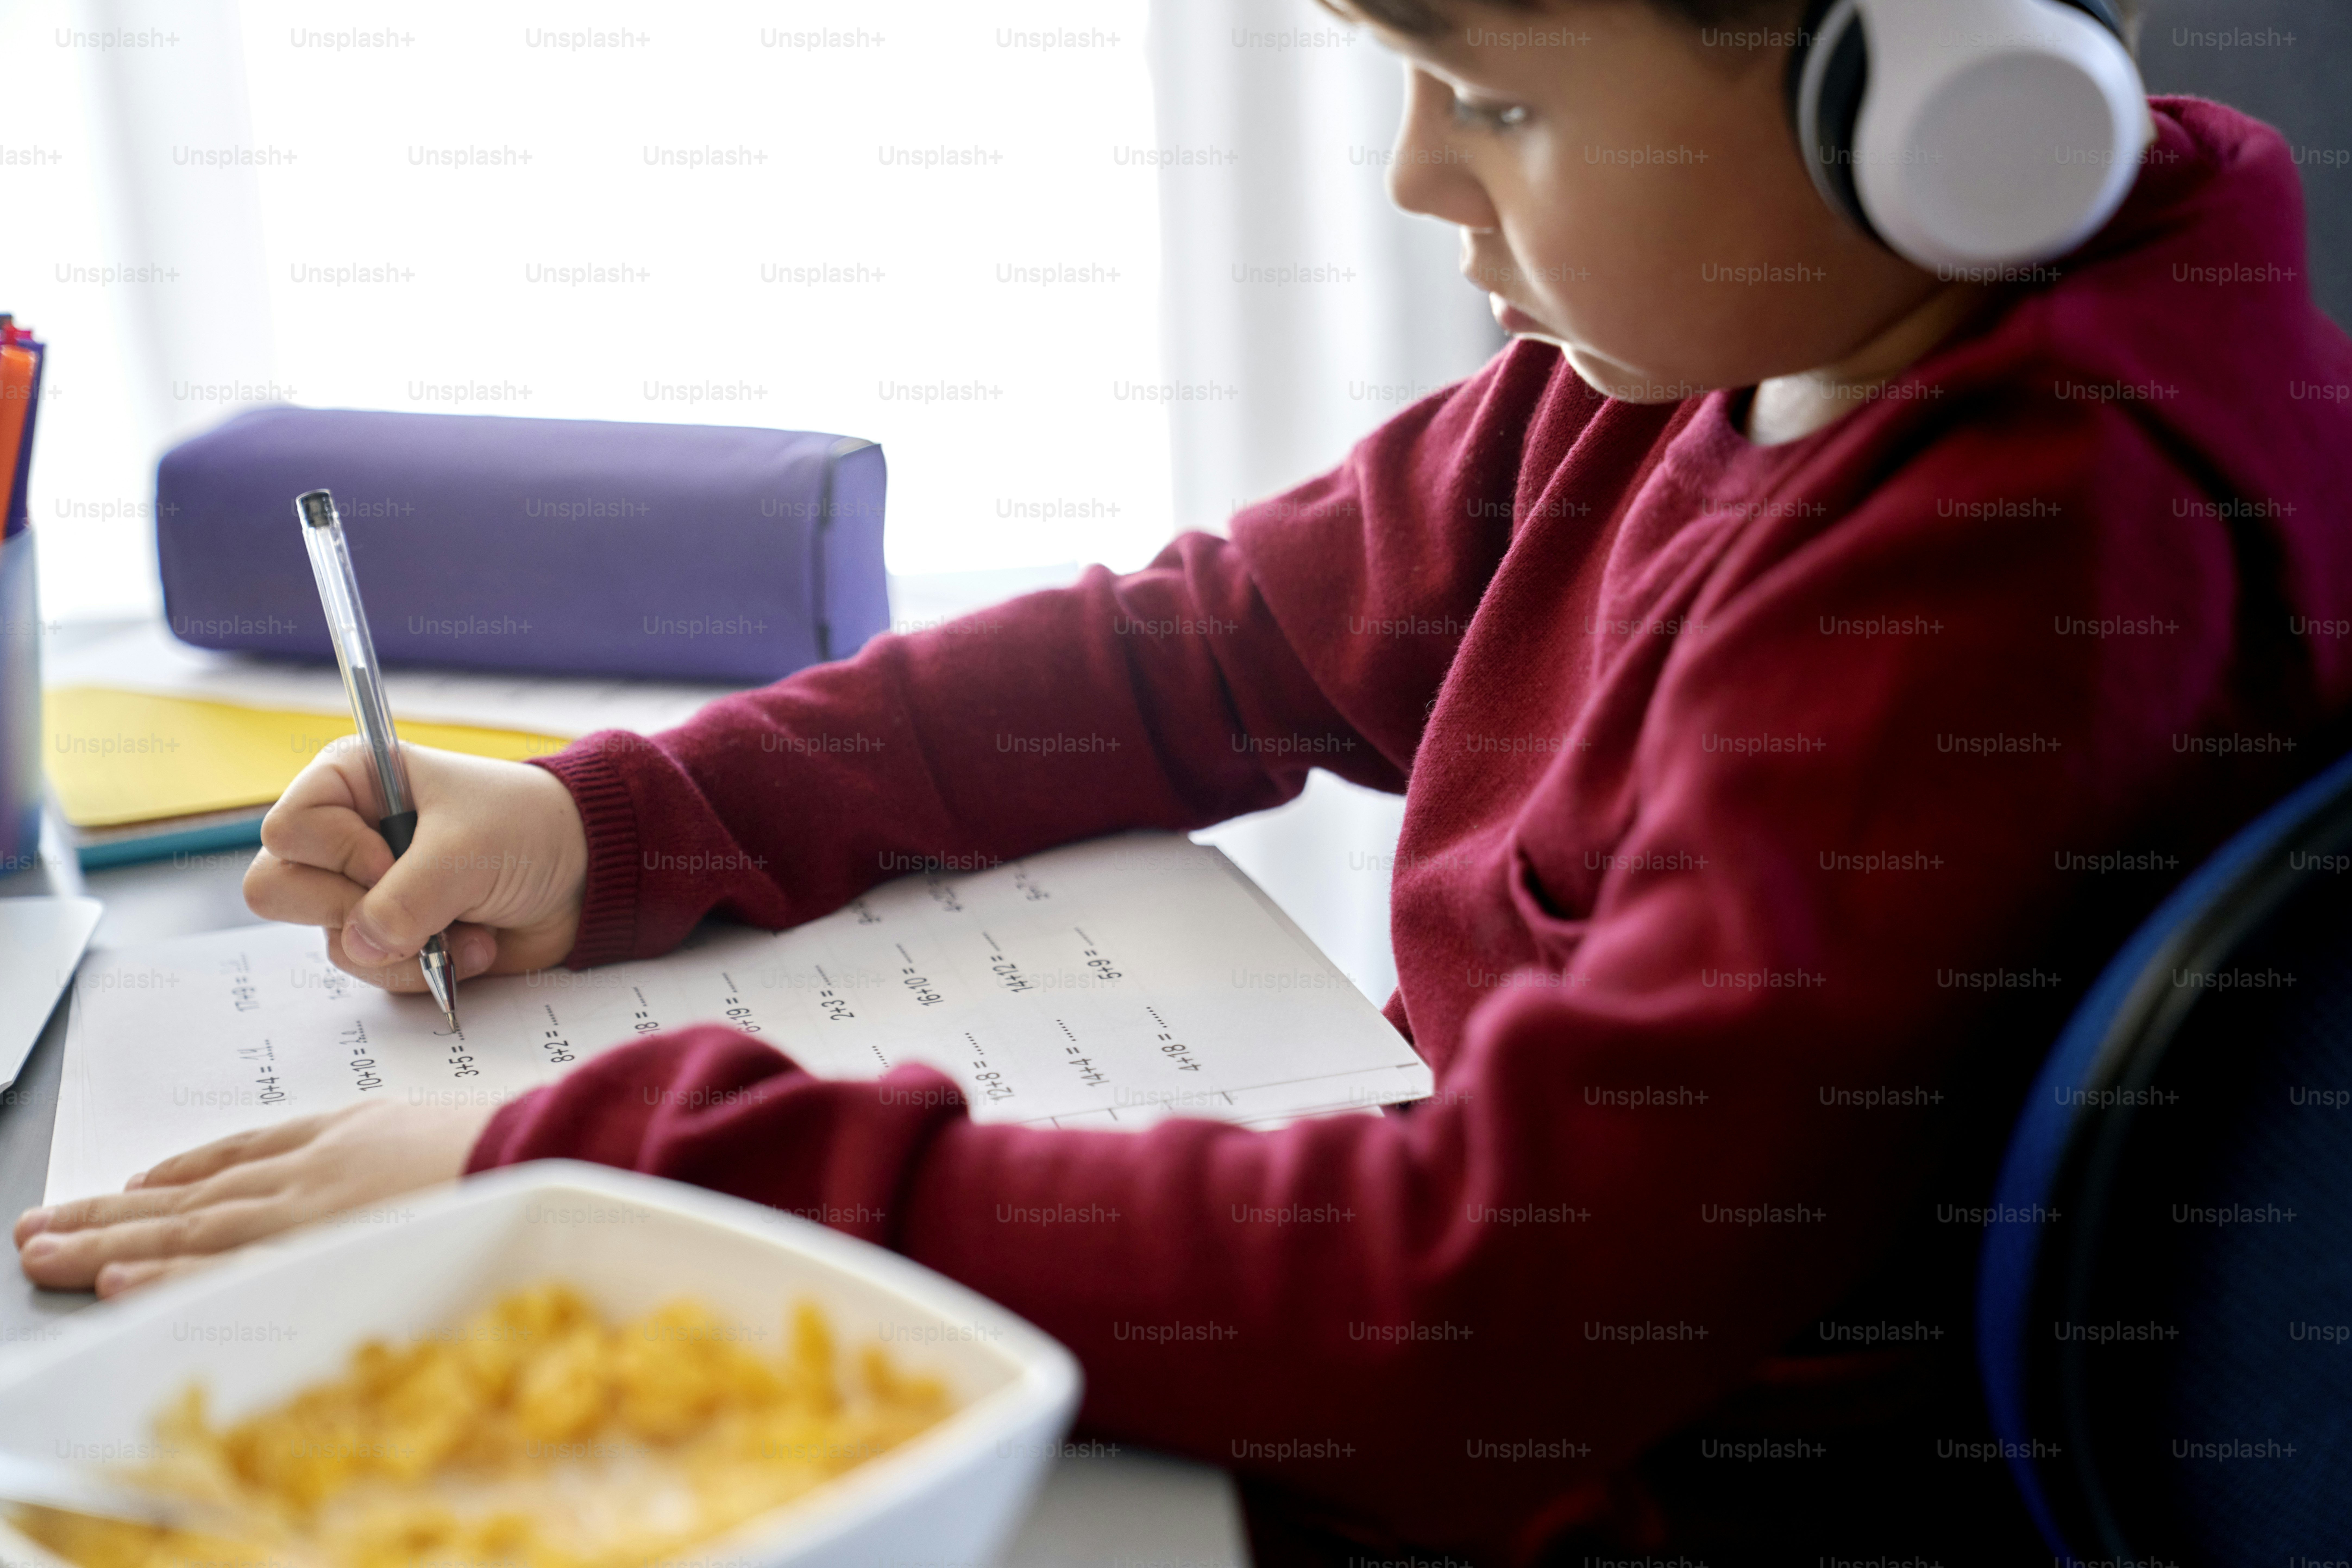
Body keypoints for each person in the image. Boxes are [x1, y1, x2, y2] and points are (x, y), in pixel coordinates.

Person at [21, 0, 2352, 1560]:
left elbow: (1498, 1310)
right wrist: (631, 814)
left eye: (1494, 94)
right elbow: (1195, 653)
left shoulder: (2029, 542)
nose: (1418, 181)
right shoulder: (1732, 338)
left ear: (1932, 94)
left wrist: (610, 1159)